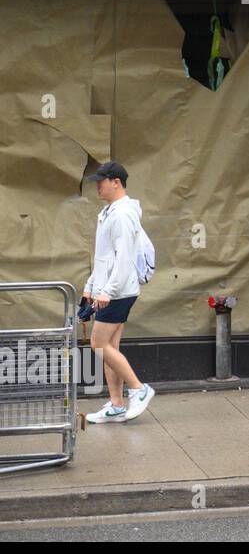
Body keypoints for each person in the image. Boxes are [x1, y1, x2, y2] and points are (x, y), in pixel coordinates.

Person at [82, 161, 156, 424]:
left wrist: (107, 291)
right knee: (110, 347)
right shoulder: (109, 212)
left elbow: (123, 258)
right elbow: (103, 257)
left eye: (102, 181)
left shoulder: (123, 214)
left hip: (118, 291)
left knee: (98, 344)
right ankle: (116, 404)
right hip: (111, 290)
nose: (97, 186)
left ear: (116, 182)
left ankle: (139, 388)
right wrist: (91, 286)